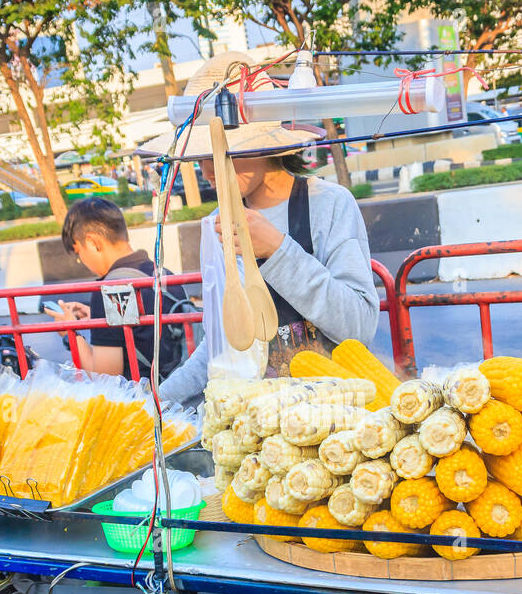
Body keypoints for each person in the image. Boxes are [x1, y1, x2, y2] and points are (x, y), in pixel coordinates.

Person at [143, 52, 378, 407]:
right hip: (260, 430)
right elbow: (220, 345)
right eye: (199, 157)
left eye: (219, 153)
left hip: (336, 420)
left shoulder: (329, 204)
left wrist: (278, 251)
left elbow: (359, 327)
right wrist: (156, 402)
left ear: (263, 142)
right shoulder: (216, 225)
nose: (207, 171)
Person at [43, 196, 188, 380]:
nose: (83, 261)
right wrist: (96, 317)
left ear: (92, 242)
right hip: (178, 393)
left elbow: (105, 377)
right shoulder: (162, 273)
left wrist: (71, 333)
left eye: (79, 252)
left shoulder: (110, 289)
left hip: (143, 402)